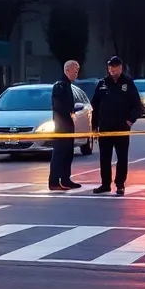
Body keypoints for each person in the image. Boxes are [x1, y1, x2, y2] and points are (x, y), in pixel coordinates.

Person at [90, 56, 143, 195]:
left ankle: (120, 184)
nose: (113, 69)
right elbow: (94, 105)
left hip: (121, 127)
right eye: (111, 67)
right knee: (104, 157)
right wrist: (94, 126)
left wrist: (130, 120)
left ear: (121, 67)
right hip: (105, 127)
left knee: (122, 156)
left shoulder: (128, 83)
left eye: (116, 67)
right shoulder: (102, 83)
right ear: (108, 68)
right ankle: (105, 184)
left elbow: (137, 105)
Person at [49, 59, 81, 191]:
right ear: (67, 70)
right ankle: (54, 181)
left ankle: (66, 179)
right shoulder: (60, 86)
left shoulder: (67, 85)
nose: (76, 74)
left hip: (67, 125)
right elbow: (59, 107)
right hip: (62, 126)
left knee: (68, 153)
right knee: (59, 154)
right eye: (75, 71)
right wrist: (69, 115)